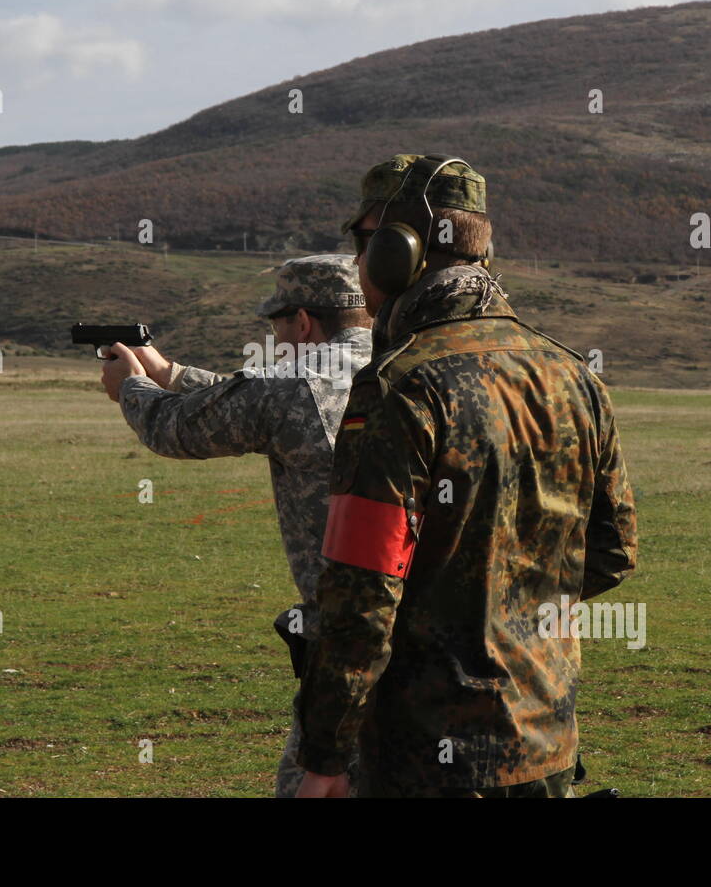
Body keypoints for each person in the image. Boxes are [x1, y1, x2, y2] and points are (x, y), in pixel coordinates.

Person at [295, 154, 638, 798]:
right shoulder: (573, 377)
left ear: (398, 251)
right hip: (547, 744)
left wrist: (324, 756)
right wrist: (502, 614)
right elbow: (612, 553)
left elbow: (365, 596)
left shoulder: (401, 388)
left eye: (363, 241)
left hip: (425, 762)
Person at [99, 254, 373, 797]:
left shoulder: (297, 383)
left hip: (350, 649)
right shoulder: (415, 361)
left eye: (277, 325)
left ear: (300, 321)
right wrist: (169, 373)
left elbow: (177, 430)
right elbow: (253, 395)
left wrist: (131, 388)